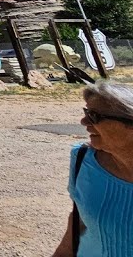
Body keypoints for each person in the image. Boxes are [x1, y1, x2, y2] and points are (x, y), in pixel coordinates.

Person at [53, 81, 133, 256]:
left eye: (94, 116)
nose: (83, 121)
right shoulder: (82, 159)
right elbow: (79, 221)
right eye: (86, 112)